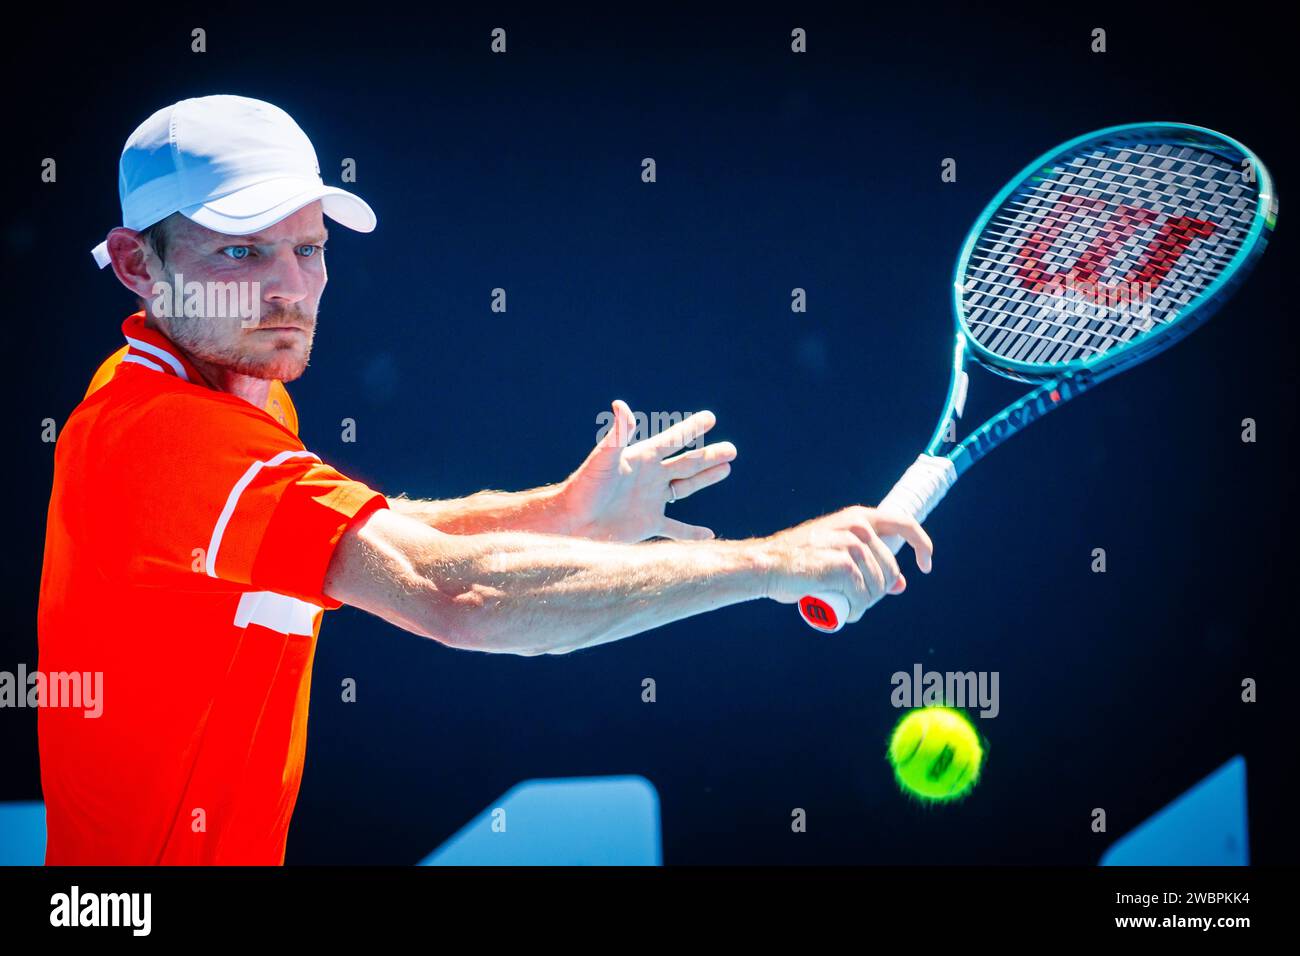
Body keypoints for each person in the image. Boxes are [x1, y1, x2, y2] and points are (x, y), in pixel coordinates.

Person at [37, 95, 933, 865]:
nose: (288, 290)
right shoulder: (162, 438)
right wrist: (772, 565)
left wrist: (560, 516)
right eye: (240, 254)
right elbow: (453, 594)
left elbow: (376, 541)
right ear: (133, 263)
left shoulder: (234, 393)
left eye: (307, 249)